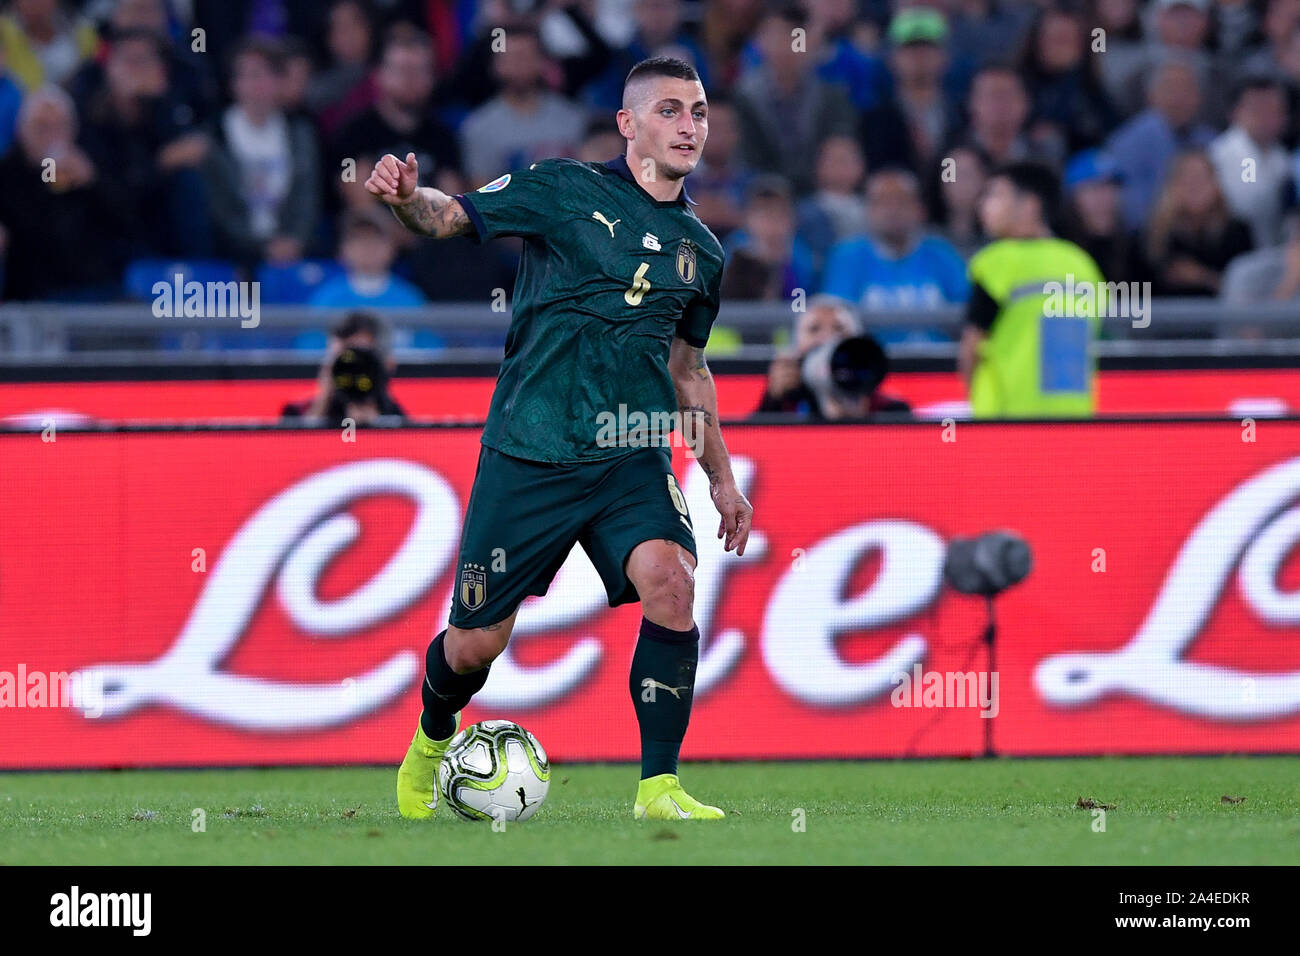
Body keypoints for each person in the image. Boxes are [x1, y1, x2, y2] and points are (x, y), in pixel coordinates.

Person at [366, 56, 751, 822]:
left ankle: (659, 789)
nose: (689, 126)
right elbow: (449, 216)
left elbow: (689, 368)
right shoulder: (564, 189)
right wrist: (407, 200)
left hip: (630, 448)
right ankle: (432, 737)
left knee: (672, 582)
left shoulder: (703, 251)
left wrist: (721, 477)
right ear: (628, 123)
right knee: (476, 644)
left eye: (700, 112)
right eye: (670, 110)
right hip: (531, 447)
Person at [960, 162, 1105, 418]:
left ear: (1030, 205)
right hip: (1075, 420)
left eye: (995, 196)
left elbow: (970, 349)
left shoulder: (997, 262)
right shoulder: (1083, 265)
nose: (983, 206)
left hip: (1006, 422)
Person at [822, 168, 970, 344]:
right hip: (873, 364)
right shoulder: (847, 256)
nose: (892, 210)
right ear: (868, 210)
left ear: (919, 209)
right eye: (883, 202)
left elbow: (968, 313)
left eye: (901, 201)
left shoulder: (941, 253)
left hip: (938, 365)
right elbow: (836, 320)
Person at [1145, 148, 1254, 295]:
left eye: (1201, 178)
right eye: (1187, 179)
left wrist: (1203, 277)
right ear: (1172, 186)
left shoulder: (1238, 233)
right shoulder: (1153, 238)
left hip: (1222, 316)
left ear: (1216, 184)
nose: (1194, 186)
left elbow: (1249, 291)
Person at [281, 310, 407, 425]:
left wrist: (379, 426)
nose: (353, 369)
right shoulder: (295, 413)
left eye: (361, 361)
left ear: (387, 364)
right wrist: (320, 407)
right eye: (343, 358)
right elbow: (295, 447)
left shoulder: (400, 421)